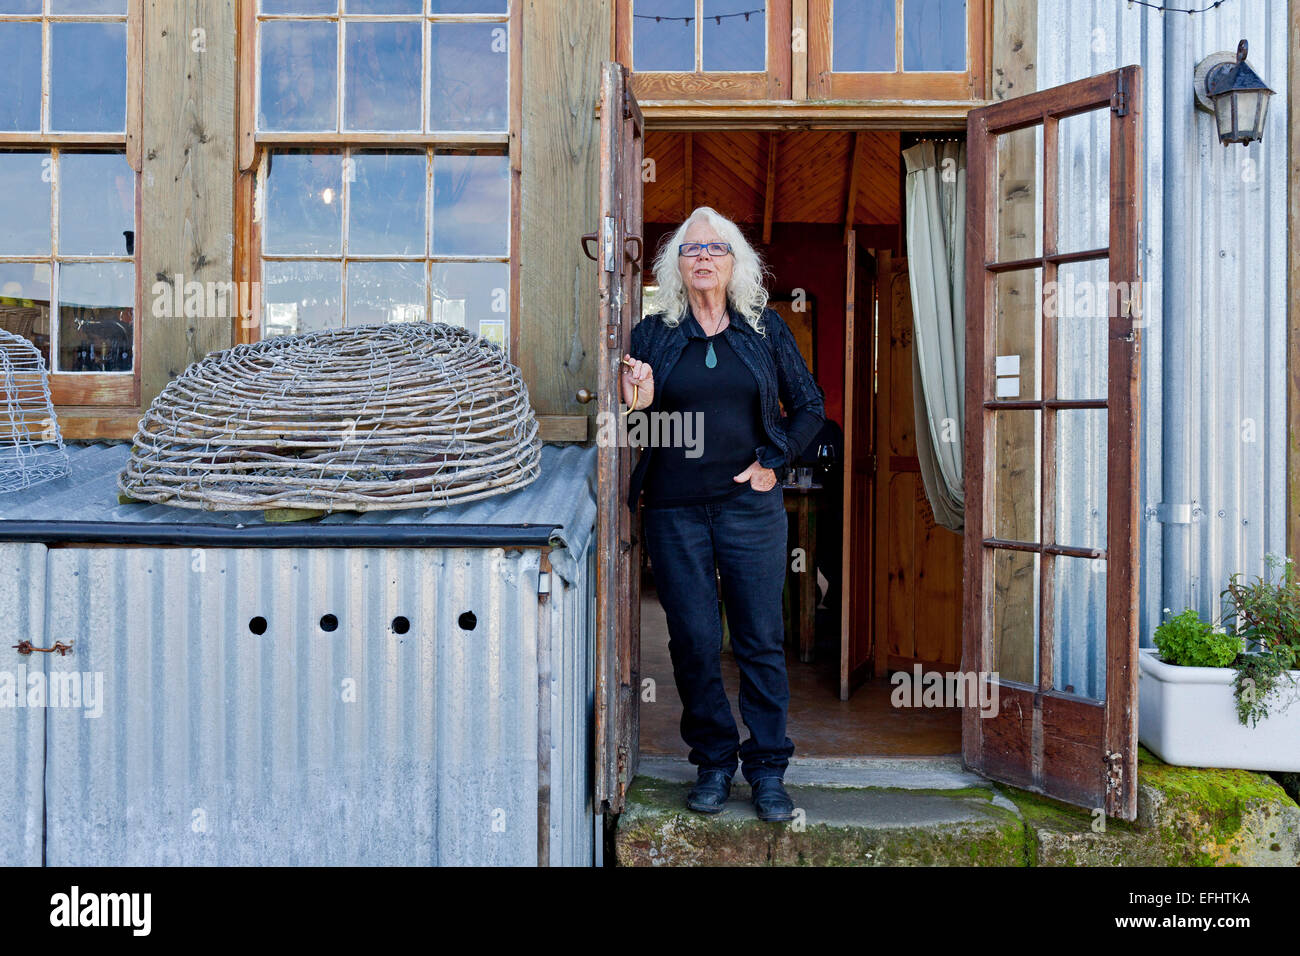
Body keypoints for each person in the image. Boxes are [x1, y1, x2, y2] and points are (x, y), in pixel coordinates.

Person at [622, 206, 825, 821]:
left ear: (735, 262)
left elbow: (809, 407)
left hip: (750, 508)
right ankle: (713, 762)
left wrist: (776, 460)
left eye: (715, 248)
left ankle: (767, 770)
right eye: (691, 250)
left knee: (760, 641)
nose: (703, 256)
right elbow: (636, 427)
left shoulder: (765, 330)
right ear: (675, 267)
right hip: (675, 510)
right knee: (693, 641)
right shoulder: (651, 334)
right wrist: (641, 404)